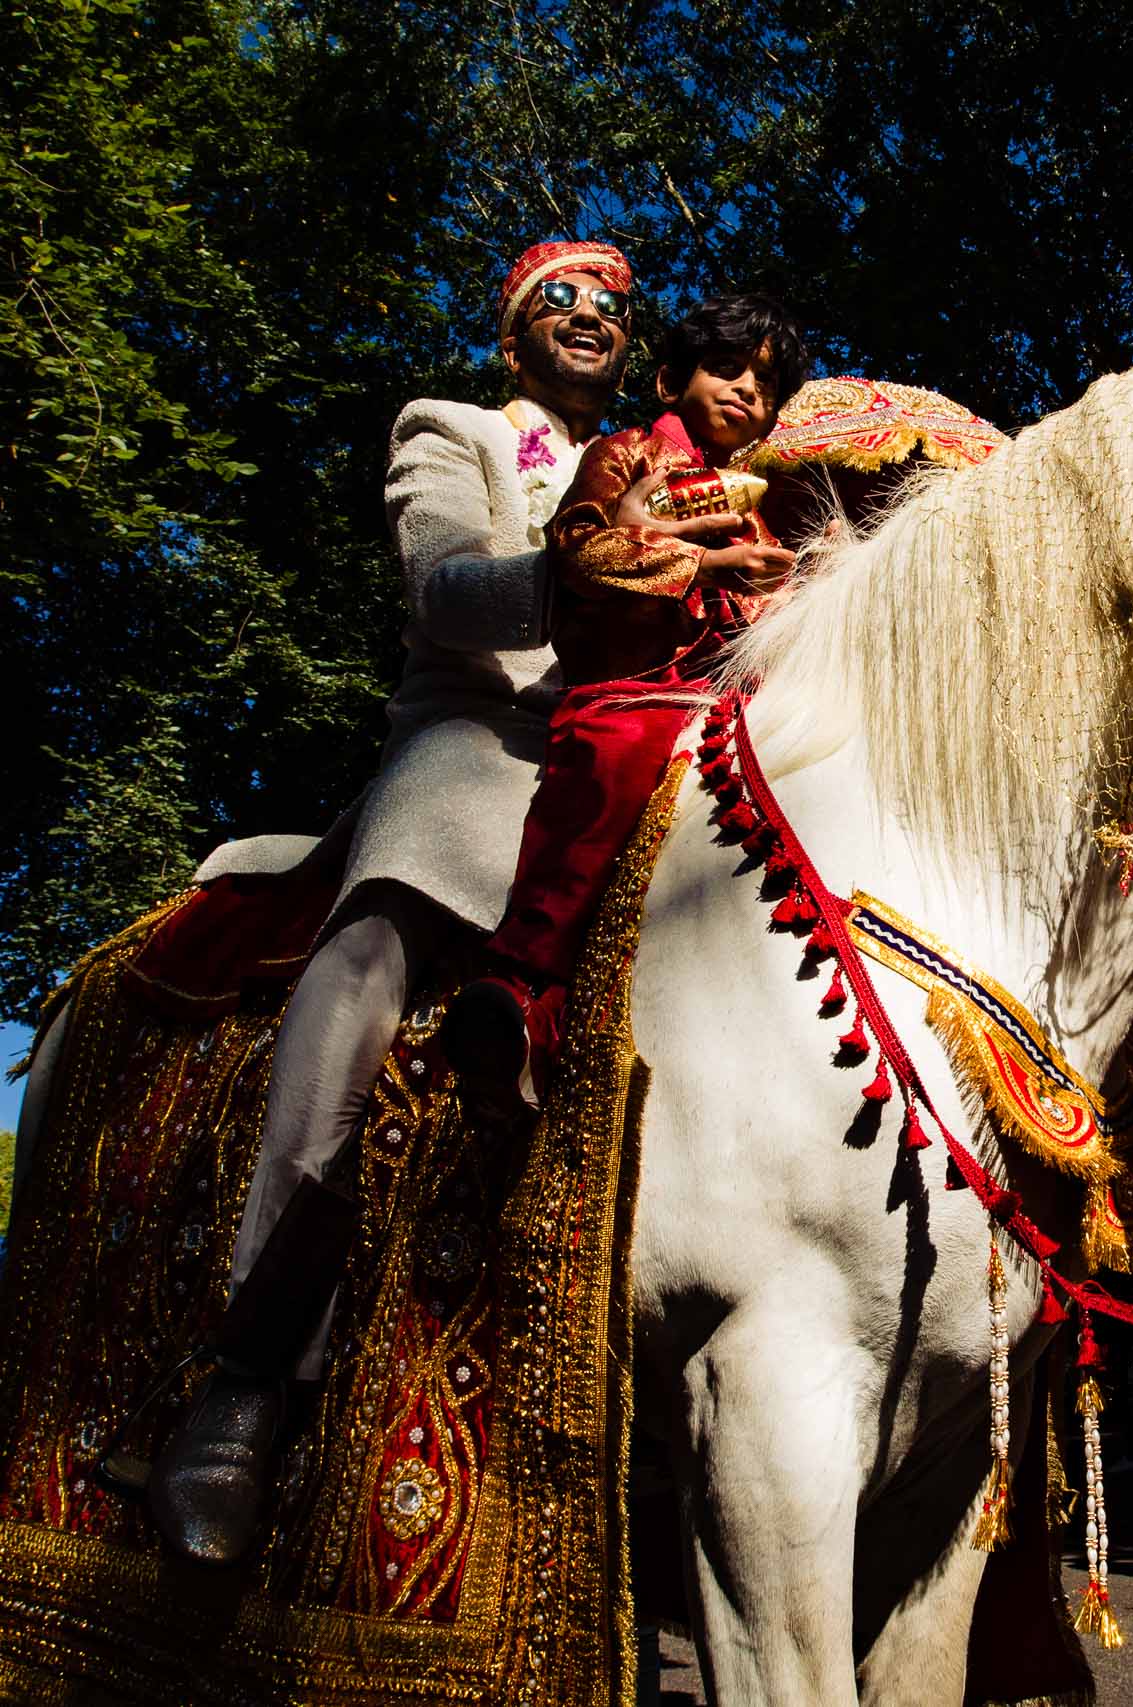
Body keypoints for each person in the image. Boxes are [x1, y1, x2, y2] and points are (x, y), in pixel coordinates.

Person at [141, 241, 638, 1567]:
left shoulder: (670, 461)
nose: (593, 316)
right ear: (512, 336)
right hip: (483, 743)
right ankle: (249, 1375)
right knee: (379, 934)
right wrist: (575, 573)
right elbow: (443, 589)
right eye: (562, 300)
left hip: (633, 760)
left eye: (613, 307)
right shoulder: (456, 429)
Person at [447, 294, 806, 1105]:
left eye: (766, 383)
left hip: (734, 702)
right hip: (635, 693)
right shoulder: (625, 454)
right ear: (669, 381)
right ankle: (523, 987)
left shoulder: (764, 498)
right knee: (613, 756)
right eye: (727, 367)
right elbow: (579, 553)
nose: (748, 388)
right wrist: (699, 564)